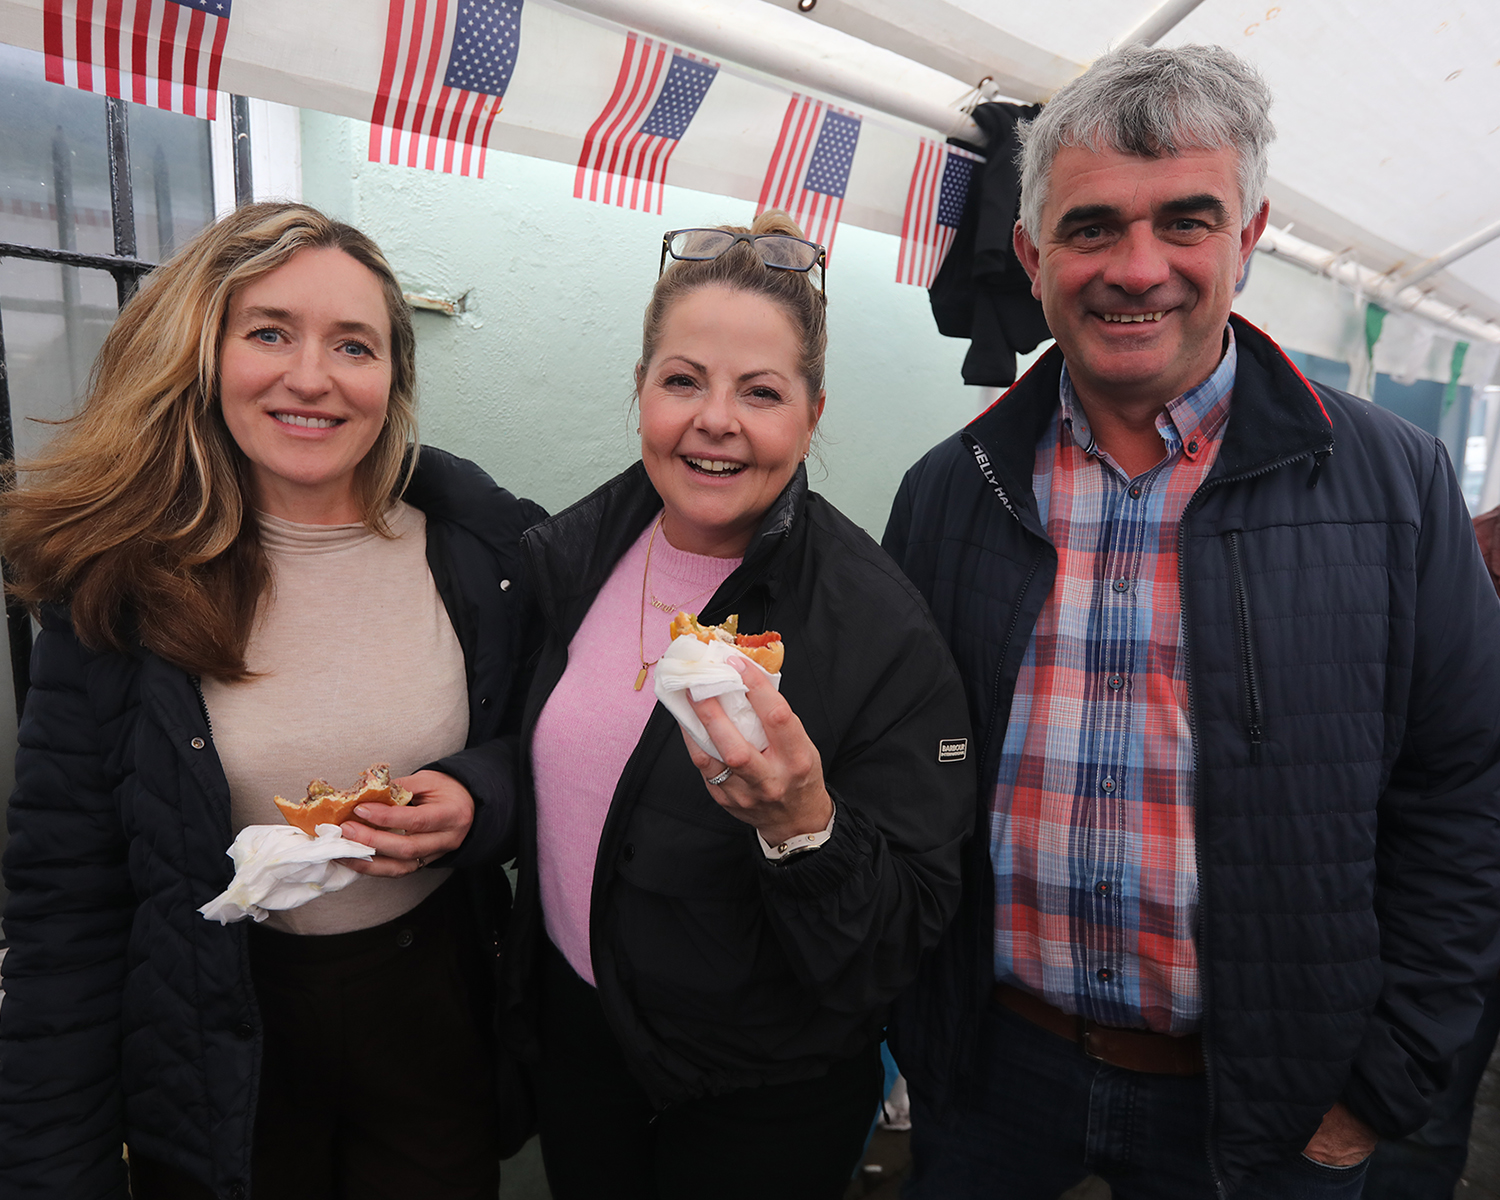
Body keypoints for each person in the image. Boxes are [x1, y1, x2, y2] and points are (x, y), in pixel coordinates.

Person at [882, 43, 1500, 1200]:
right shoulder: (949, 489)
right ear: (1029, 253)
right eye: (1092, 228)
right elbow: (902, 772)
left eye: (1186, 221)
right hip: (991, 1079)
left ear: (1249, 239)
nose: (1139, 267)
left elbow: (1463, 792)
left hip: (1269, 1105)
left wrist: (1379, 1084)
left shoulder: (1396, 486)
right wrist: (924, 1030)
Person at [0, 202, 542, 1199]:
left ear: (393, 378)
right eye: (270, 333)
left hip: (431, 1008)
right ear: (205, 354)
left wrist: (479, 795)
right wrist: (52, 1170)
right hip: (215, 1024)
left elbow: (550, 748)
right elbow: (63, 909)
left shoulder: (484, 551)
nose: (312, 377)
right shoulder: (119, 587)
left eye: (353, 345)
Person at [506, 212, 974, 1200]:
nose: (714, 420)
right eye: (683, 381)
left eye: (760, 392)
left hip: (759, 1095)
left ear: (810, 414)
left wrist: (804, 826)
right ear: (641, 393)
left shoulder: (880, 630)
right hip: (585, 1051)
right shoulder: (573, 559)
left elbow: (892, 944)